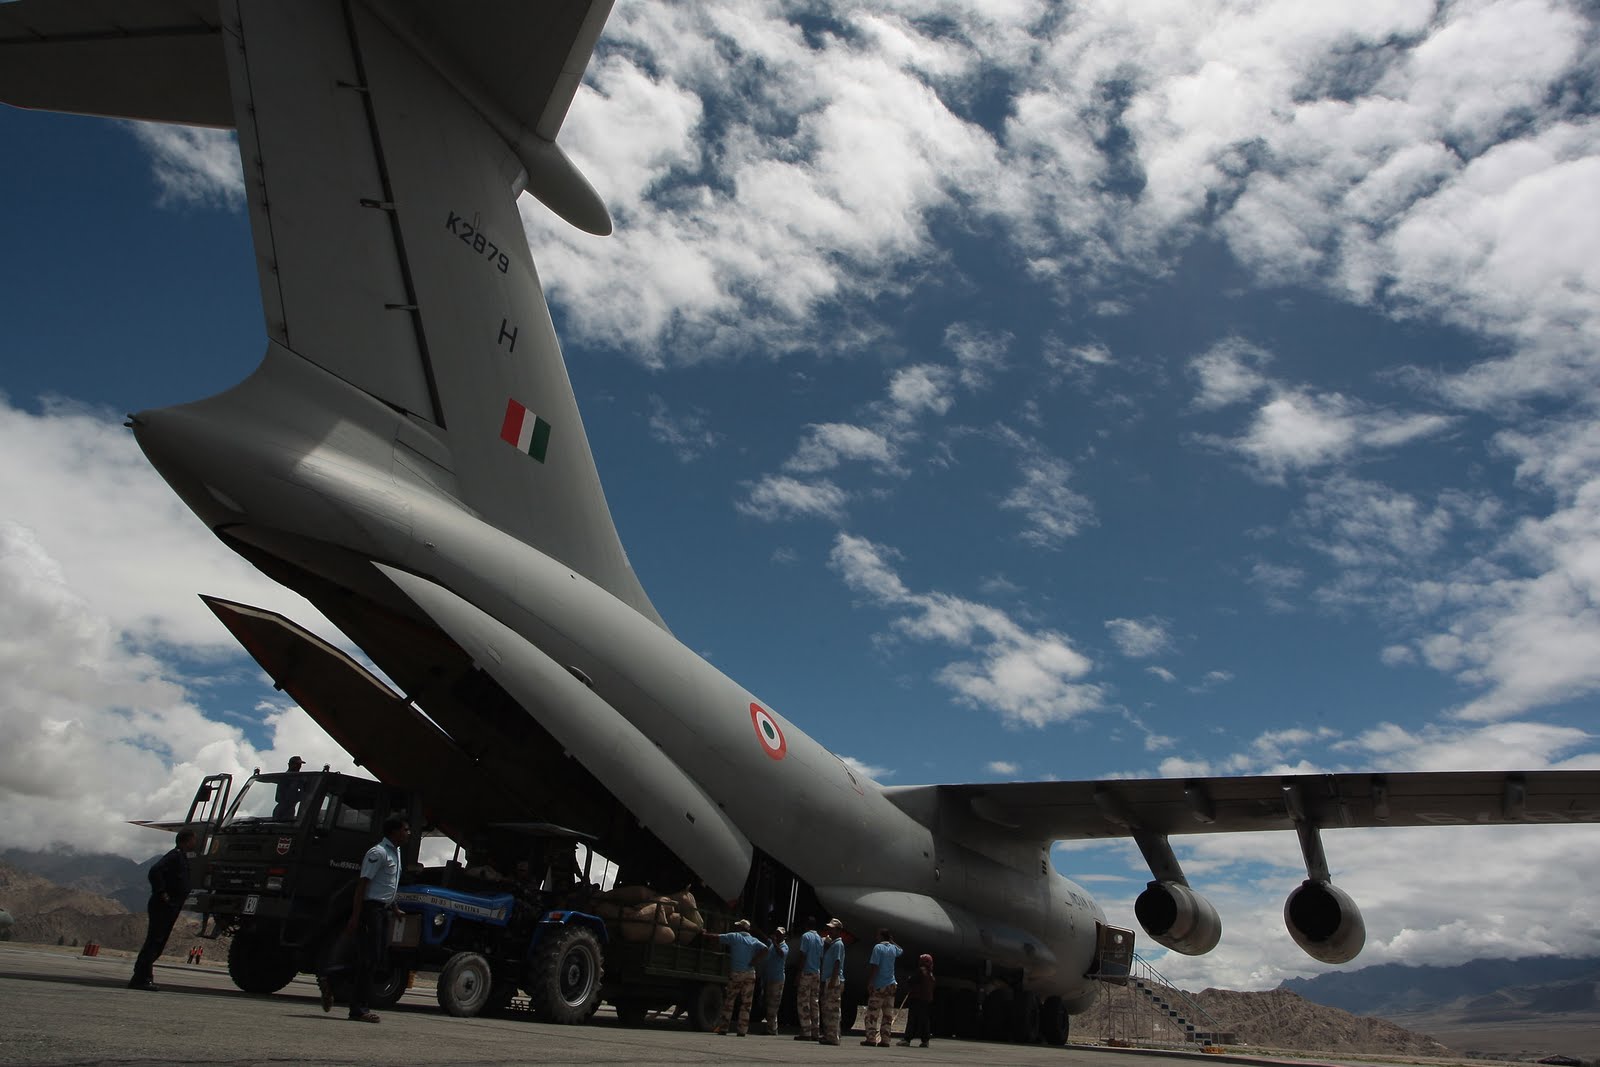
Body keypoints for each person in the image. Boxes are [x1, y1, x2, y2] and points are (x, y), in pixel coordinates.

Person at [322, 814, 409, 1023]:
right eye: (406, 829)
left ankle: (332, 979)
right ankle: (358, 1008)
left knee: (374, 959)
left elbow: (387, 885)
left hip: (383, 910)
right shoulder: (378, 853)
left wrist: (395, 908)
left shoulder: (395, 852)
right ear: (394, 832)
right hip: (371, 910)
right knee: (369, 960)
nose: (408, 833)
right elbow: (363, 885)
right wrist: (355, 916)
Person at [129, 828, 195, 991]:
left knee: (158, 942)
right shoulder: (174, 855)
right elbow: (155, 871)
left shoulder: (181, 856)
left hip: (171, 905)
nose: (195, 843)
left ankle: (142, 975)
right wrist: (161, 892)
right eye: (193, 840)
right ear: (186, 841)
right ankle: (141, 978)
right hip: (164, 905)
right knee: (155, 940)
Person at [703, 918, 766, 1036]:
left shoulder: (735, 936)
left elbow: (716, 937)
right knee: (746, 1003)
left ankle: (724, 1028)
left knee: (729, 1000)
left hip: (737, 973)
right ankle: (742, 1030)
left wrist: (705, 934)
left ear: (740, 928)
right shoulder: (753, 940)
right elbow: (765, 949)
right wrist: (755, 960)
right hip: (750, 973)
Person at [861, 927, 902, 1046]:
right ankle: (885, 1039)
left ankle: (871, 1038)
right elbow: (901, 950)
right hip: (891, 984)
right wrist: (892, 941)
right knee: (887, 1014)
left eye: (878, 935)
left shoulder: (878, 948)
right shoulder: (893, 948)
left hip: (879, 984)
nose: (876, 937)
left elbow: (875, 966)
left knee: (872, 1013)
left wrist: (871, 982)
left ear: (881, 936)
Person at [793, 916, 824, 1040]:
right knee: (814, 1002)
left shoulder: (806, 937)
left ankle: (806, 1031)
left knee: (803, 1002)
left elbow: (803, 955)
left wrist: (798, 972)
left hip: (806, 972)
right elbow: (821, 957)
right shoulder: (820, 939)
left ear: (806, 926)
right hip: (816, 972)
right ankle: (815, 1031)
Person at [818, 918, 847, 1046]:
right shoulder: (832, 944)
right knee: (827, 1009)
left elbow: (837, 963)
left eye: (832, 928)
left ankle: (833, 1037)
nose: (829, 930)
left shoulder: (838, 945)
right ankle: (830, 1035)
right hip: (829, 979)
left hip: (833, 980)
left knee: (833, 1010)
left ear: (838, 930)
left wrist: (832, 981)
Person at [897, 953, 935, 1048]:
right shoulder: (931, 974)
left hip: (917, 998)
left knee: (912, 1019)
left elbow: (911, 981)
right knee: (924, 1020)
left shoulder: (920, 971)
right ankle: (925, 1040)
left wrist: (910, 980)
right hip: (926, 1000)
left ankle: (907, 1039)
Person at [758, 927, 788, 1035]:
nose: (777, 935)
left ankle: (771, 1029)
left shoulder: (784, 946)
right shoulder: (772, 944)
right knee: (768, 1003)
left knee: (773, 1004)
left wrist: (774, 943)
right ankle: (771, 1027)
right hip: (769, 978)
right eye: (776, 933)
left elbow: (781, 954)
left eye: (780, 934)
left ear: (784, 936)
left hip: (777, 980)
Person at [271, 756, 306, 820]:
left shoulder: (298, 778)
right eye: (297, 764)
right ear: (290, 765)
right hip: (283, 810)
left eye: (300, 764)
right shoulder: (286, 778)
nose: (299, 766)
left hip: (289, 808)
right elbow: (280, 797)